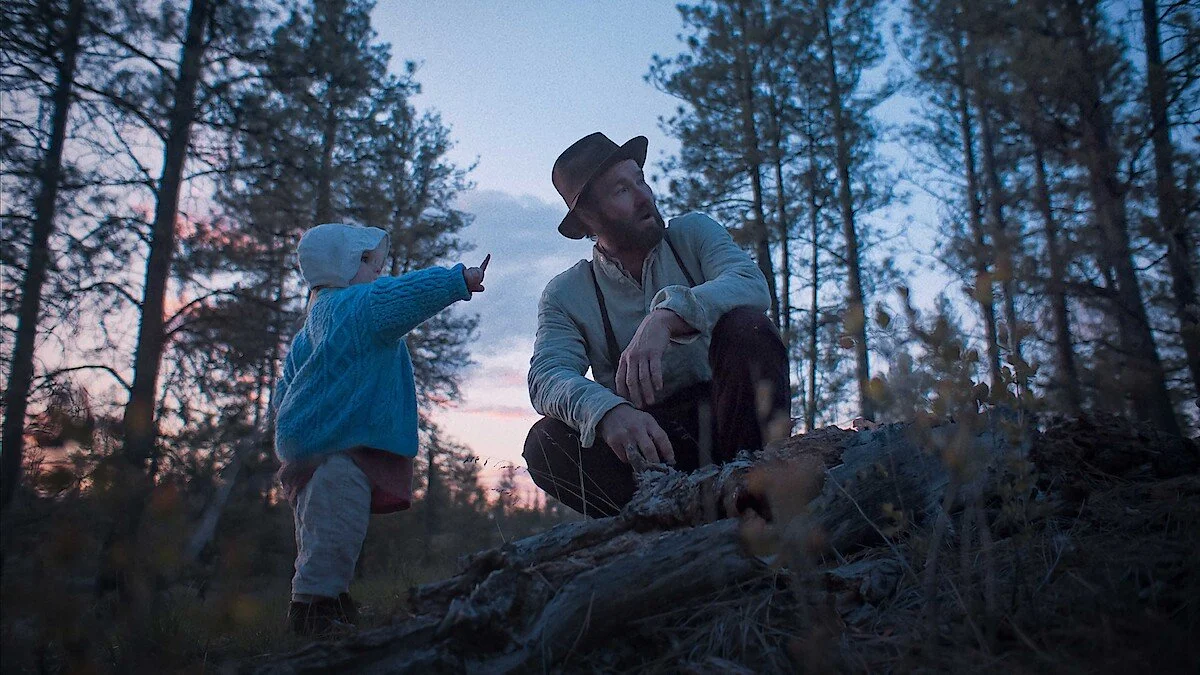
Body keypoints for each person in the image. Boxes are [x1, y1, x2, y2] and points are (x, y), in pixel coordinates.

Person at [523, 132, 791, 518]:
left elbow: (750, 284)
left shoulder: (693, 234)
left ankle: (758, 505)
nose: (645, 196)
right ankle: (659, 526)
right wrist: (606, 411)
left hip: (733, 420)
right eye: (621, 191)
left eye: (640, 180)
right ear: (587, 220)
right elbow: (547, 375)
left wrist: (667, 316)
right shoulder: (566, 293)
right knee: (546, 442)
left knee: (748, 328)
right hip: (649, 447)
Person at [273, 222, 489, 636]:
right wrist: (457, 279)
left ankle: (329, 598)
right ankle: (315, 610)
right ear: (340, 266)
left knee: (318, 530)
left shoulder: (311, 326)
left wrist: (290, 428)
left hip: (308, 448)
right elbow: (406, 294)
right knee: (337, 529)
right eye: (367, 260)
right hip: (339, 446)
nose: (377, 270)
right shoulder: (359, 306)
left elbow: (286, 386)